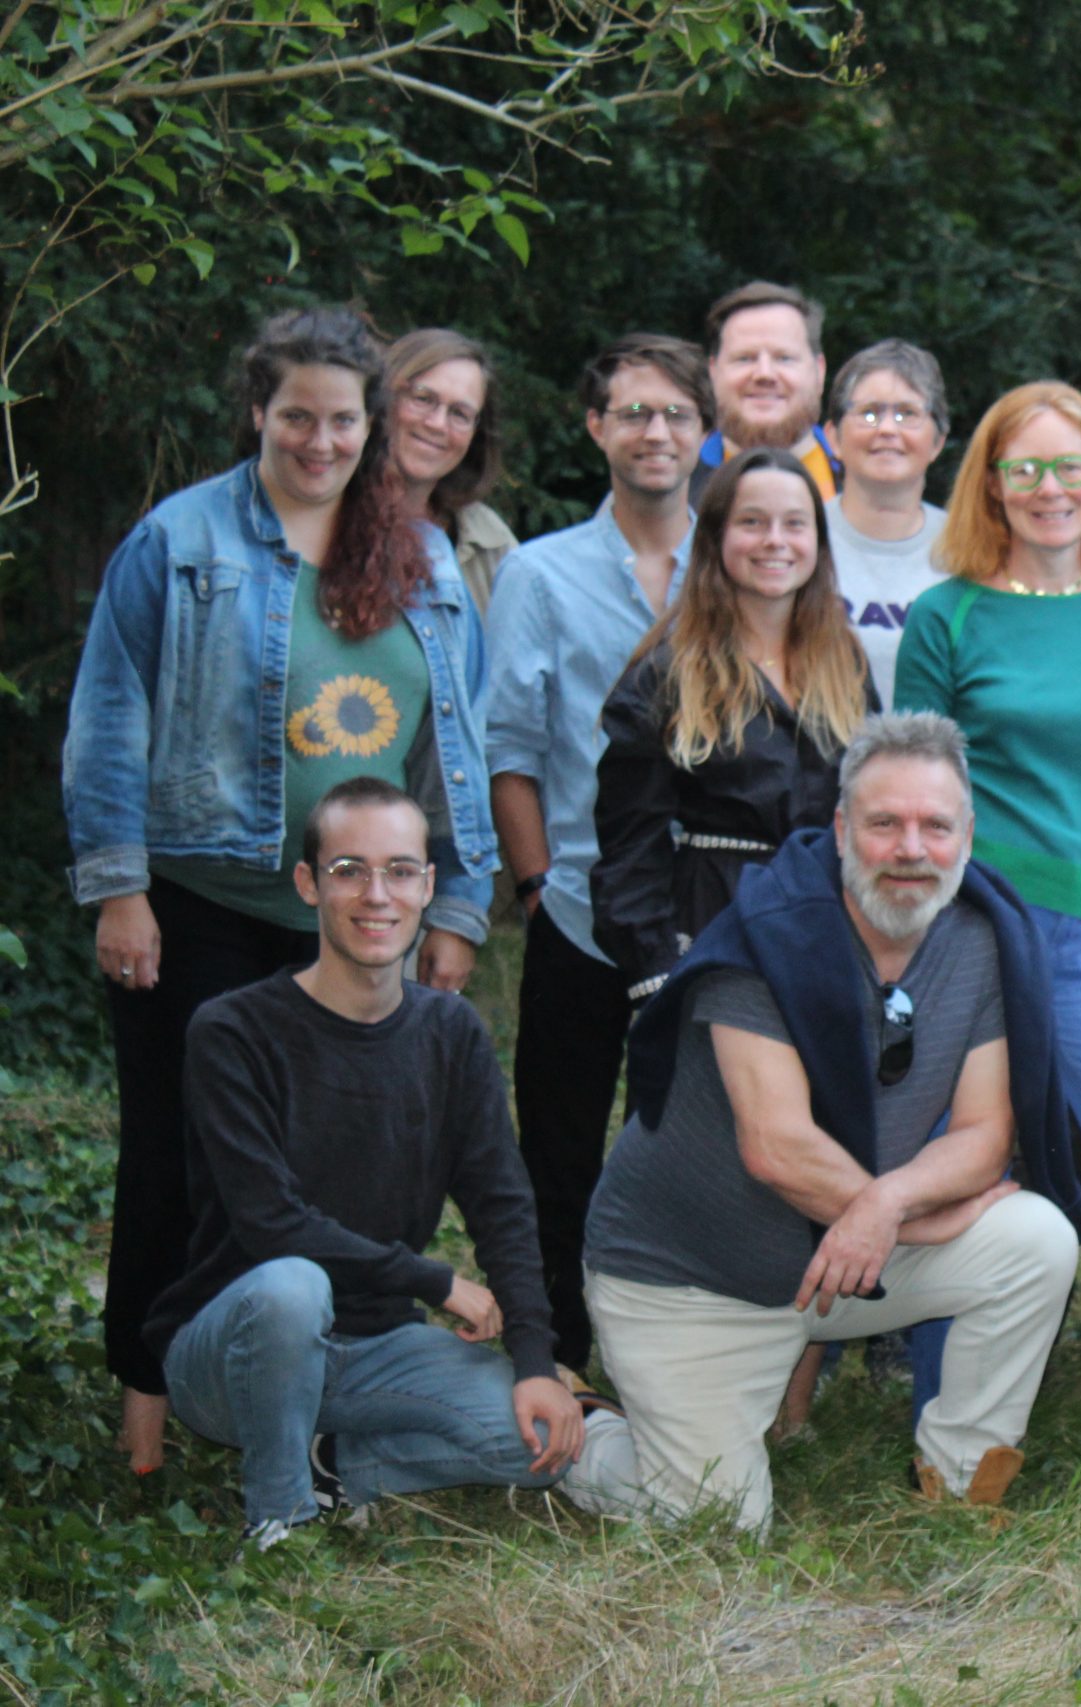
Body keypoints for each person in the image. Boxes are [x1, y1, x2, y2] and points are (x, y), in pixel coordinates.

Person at [64, 305, 497, 1474]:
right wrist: (118, 887)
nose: (319, 440)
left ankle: (307, 1391)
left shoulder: (424, 556)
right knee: (176, 1151)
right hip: (201, 903)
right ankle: (148, 1408)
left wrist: (454, 901)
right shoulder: (181, 539)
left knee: (335, 1163)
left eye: (341, 420)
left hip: (357, 915)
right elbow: (111, 714)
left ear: (375, 425)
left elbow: (454, 736)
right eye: (295, 415)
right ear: (259, 409)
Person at [579, 713, 1081, 1531]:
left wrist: (887, 1209)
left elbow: (983, 1135)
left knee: (1035, 1241)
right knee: (715, 1524)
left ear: (967, 836)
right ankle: (584, 1433)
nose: (910, 849)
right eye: (885, 823)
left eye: (936, 825)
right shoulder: (765, 931)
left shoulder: (979, 938)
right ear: (844, 827)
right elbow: (777, 1146)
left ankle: (962, 1485)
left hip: (838, 1260)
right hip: (693, 1280)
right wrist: (912, 1226)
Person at [148, 779, 620, 1550]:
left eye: (400, 870)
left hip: (375, 1348)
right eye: (349, 870)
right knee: (295, 1286)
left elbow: (503, 1204)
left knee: (534, 1442)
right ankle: (279, 1516)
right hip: (240, 1346)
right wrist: (438, 1282)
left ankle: (329, 1464)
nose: (378, 895)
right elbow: (273, 1224)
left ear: (428, 887)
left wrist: (537, 1358)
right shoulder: (233, 1030)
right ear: (308, 884)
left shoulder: (451, 1034)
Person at [896, 381, 1081, 1204]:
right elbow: (912, 797)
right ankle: (947, 1334)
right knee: (962, 1161)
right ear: (991, 482)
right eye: (1025, 468)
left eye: (1072, 465)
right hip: (974, 928)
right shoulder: (944, 615)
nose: (1050, 488)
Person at [484, 333, 712, 1375]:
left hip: (714, 908)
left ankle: (681, 1346)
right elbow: (511, 750)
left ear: (703, 430)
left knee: (695, 1139)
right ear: (596, 428)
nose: (653, 432)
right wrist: (536, 889)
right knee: (563, 1146)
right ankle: (560, 1355)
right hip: (577, 904)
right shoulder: (539, 574)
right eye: (633, 412)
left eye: (673, 413)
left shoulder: (740, 555)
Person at [592, 449, 872, 1002]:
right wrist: (659, 970)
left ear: (818, 540)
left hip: (830, 931)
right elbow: (630, 849)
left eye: (795, 524)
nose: (775, 540)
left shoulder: (844, 663)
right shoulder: (668, 677)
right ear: (715, 536)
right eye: (752, 522)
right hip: (715, 929)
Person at [824, 338, 952, 702]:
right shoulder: (797, 538)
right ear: (833, 437)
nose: (887, 430)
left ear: (938, 440)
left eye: (907, 414)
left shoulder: (969, 548)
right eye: (868, 413)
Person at [383, 328, 518, 611]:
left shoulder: (490, 541)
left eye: (459, 414)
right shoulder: (323, 515)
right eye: (422, 398)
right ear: (383, 397)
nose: (437, 424)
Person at [692, 281, 839, 504]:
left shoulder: (868, 481)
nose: (764, 374)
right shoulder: (676, 485)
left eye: (784, 358)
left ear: (819, 372)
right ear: (713, 373)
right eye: (745, 358)